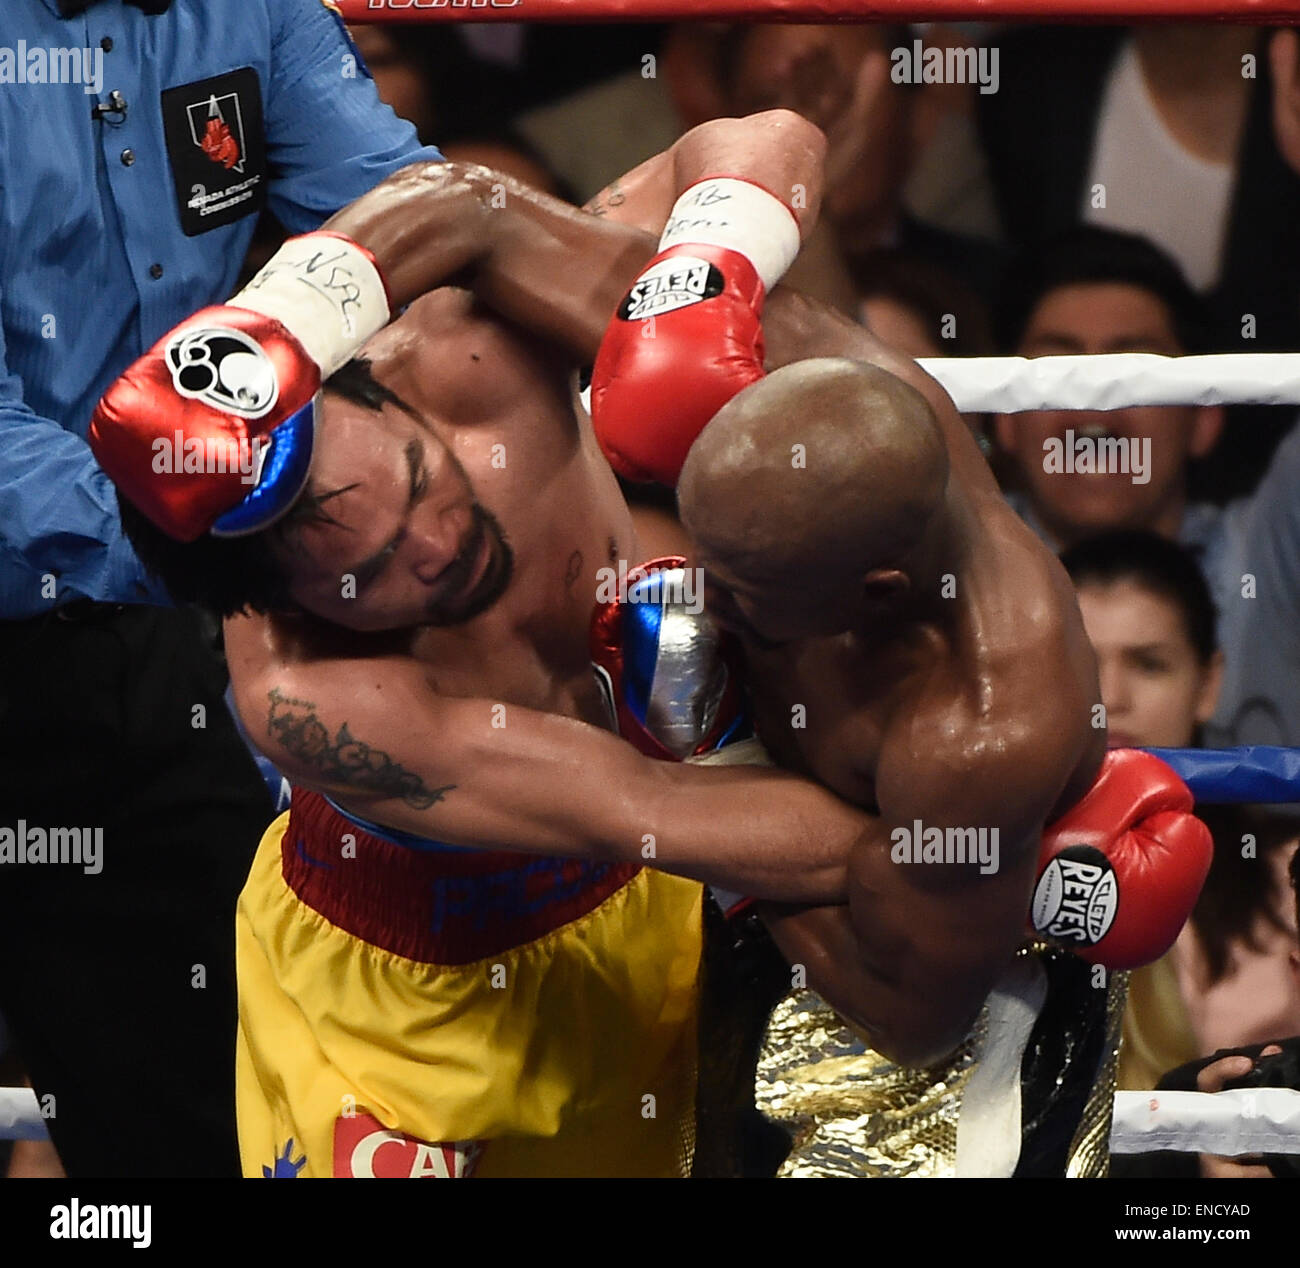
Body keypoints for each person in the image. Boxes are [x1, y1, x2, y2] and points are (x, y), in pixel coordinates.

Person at [0, 0, 442, 1177]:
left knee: (193, 1114)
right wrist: (229, 528)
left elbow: (400, 227)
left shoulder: (249, 13)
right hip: (151, 556)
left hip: (143, 632)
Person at [993, 227, 1300, 749]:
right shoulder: (952, 557)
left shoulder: (1267, 555)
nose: (1092, 405)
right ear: (1005, 420)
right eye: (1056, 372)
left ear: (1204, 417)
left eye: (1132, 371)